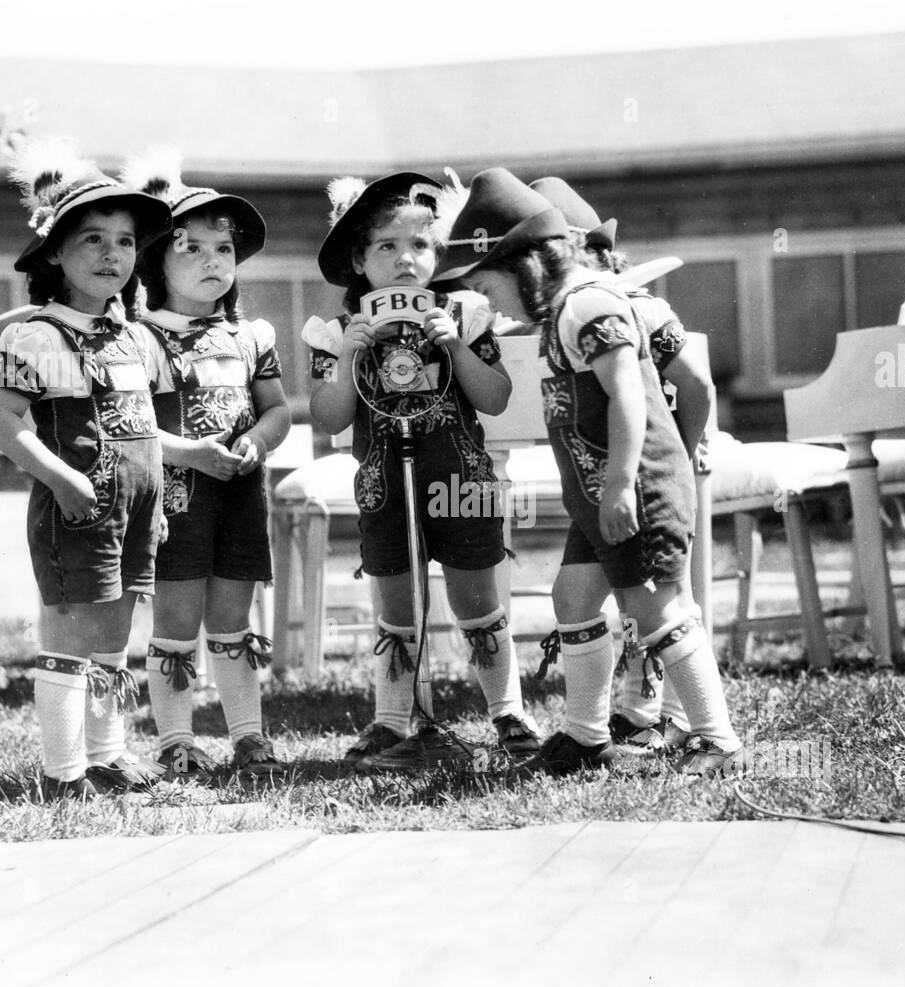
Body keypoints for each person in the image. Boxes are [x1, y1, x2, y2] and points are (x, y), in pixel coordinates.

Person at [436, 168, 742, 777]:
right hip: (598, 495)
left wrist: (627, 484)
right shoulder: (563, 317)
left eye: (488, 287)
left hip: (632, 493)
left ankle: (716, 738)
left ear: (524, 265)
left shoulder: (589, 306)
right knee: (572, 596)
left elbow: (629, 395)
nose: (488, 303)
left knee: (655, 609)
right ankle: (586, 734)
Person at [304, 173, 542, 771]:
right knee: (398, 608)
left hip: (463, 479)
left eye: (420, 246)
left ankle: (508, 711)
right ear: (359, 259)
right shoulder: (336, 332)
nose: (405, 259)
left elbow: (494, 399)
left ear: (439, 255)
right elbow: (327, 415)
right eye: (387, 246)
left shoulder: (465, 315)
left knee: (477, 600)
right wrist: (350, 356)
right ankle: (391, 720)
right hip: (385, 485)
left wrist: (457, 346)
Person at [0, 139, 172, 799]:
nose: (111, 253)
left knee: (116, 634)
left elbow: (145, 427)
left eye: (124, 241)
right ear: (54, 253)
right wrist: (62, 478)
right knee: (70, 630)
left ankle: (107, 753)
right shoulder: (35, 334)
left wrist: (164, 492)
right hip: (78, 504)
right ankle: (63, 772)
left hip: (138, 509)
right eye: (92, 238)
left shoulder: (134, 337)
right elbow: (1, 421)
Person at [528, 177, 715, 754]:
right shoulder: (559, 319)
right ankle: (597, 729)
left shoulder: (634, 306)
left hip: (646, 472)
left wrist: (684, 449)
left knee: (660, 598)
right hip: (599, 479)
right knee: (582, 596)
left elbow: (695, 382)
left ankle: (680, 720)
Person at [124, 149, 292, 781]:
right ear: (155, 262)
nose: (212, 260)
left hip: (241, 494)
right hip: (174, 499)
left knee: (233, 618)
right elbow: (130, 426)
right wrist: (190, 452)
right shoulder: (139, 337)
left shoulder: (252, 337)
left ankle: (248, 735)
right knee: (176, 619)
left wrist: (260, 440)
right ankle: (175, 740)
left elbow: (276, 411)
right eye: (190, 248)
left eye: (223, 249)